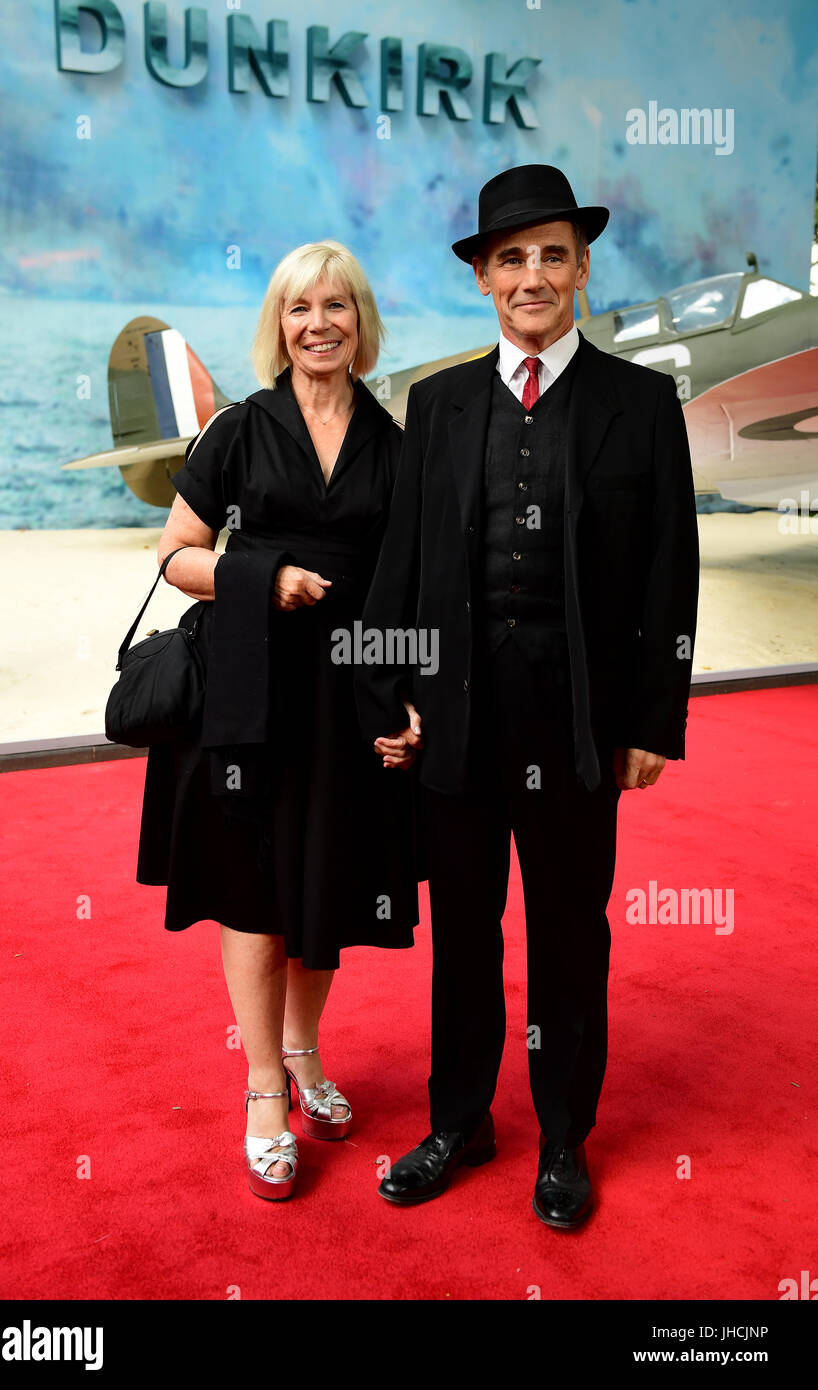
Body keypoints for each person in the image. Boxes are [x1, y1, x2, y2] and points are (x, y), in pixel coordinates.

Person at [356, 165, 699, 1228]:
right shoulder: (438, 403)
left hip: (576, 717)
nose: (532, 274)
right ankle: (457, 1120)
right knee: (462, 928)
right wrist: (391, 701)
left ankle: (561, 1138)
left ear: (581, 267)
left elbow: (667, 574)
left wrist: (652, 721)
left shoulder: (639, 404)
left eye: (551, 253)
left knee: (566, 930)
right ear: (482, 280)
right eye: (510, 257)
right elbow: (402, 569)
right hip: (458, 717)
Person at [137, 240, 419, 1201]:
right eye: (301, 309)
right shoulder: (242, 430)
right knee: (255, 887)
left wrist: (407, 694)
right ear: (280, 325)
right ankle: (263, 1089)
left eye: (337, 306)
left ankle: (303, 1055)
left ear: (360, 321)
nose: (319, 324)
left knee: (325, 885)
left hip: (350, 696)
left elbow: (404, 586)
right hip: (248, 692)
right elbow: (175, 555)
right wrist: (266, 578)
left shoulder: (393, 441)